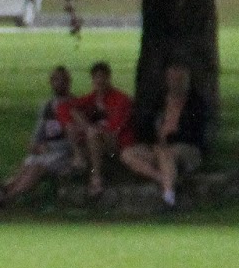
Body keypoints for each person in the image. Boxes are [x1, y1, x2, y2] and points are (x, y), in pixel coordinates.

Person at [0, 65, 77, 208]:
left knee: (37, 167)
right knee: (28, 164)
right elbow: (37, 135)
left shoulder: (74, 105)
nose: (60, 84)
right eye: (56, 80)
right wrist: (36, 145)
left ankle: (9, 196)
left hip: (62, 152)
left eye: (63, 80)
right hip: (46, 151)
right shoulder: (47, 106)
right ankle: (5, 189)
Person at [121, 60, 206, 208]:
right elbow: (146, 128)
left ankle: (168, 196)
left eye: (180, 79)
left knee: (166, 154)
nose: (176, 83)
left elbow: (195, 134)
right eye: (173, 79)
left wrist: (171, 137)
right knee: (128, 154)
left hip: (185, 149)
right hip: (158, 147)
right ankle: (163, 178)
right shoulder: (159, 102)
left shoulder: (196, 103)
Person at [68, 60, 136, 197]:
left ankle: (96, 177)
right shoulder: (91, 98)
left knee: (93, 134)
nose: (100, 81)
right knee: (72, 128)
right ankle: (78, 158)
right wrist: (85, 125)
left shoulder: (121, 99)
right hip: (95, 137)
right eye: (97, 78)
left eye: (103, 77)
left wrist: (92, 130)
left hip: (117, 141)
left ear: (108, 77)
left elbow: (114, 130)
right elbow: (72, 108)